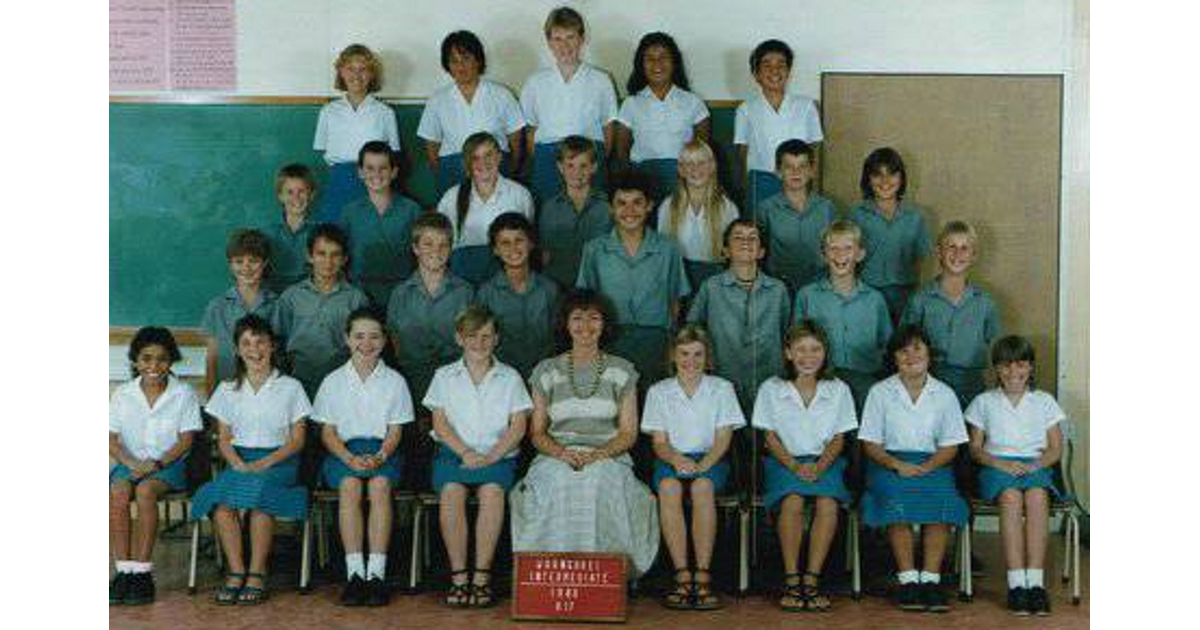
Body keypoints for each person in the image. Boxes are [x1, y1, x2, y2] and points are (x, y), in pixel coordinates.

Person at [510, 290, 659, 578]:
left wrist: (599, 454)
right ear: (565, 324)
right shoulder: (545, 371)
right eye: (577, 318)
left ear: (605, 324)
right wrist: (561, 453)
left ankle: (600, 578)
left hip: (609, 455)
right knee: (559, 479)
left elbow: (628, 433)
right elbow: (537, 433)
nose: (586, 326)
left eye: (594, 318)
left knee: (597, 479)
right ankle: (552, 575)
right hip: (555, 455)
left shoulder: (623, 370)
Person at [190, 315, 311, 605]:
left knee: (259, 501)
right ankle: (236, 571)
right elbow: (224, 438)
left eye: (260, 342)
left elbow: (297, 440)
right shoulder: (227, 389)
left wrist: (265, 463)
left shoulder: (291, 387)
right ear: (237, 349)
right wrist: (238, 464)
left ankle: (257, 573)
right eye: (246, 343)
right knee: (222, 506)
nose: (254, 350)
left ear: (272, 346)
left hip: (280, 463)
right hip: (239, 461)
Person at [425, 305, 532, 608]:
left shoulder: (510, 377)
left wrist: (492, 456)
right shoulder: (444, 376)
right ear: (459, 338)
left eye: (486, 336)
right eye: (472, 336)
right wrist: (467, 452)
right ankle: (459, 577)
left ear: (496, 339)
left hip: (499, 456)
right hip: (453, 455)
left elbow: (518, 426)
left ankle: (482, 578)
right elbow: (440, 424)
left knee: (493, 493)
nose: (479, 343)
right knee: (451, 493)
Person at [858, 325, 969, 614]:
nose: (911, 356)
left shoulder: (945, 394)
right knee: (896, 496)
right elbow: (870, 443)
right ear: (894, 357)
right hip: (888, 463)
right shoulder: (880, 392)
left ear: (929, 353)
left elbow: (951, 445)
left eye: (917, 348)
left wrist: (927, 466)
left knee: (941, 497)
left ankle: (931, 580)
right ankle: (908, 580)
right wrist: (897, 465)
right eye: (903, 351)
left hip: (935, 463)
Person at [313, 306, 414, 607]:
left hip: (384, 451)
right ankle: (355, 573)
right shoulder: (332, 381)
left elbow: (395, 430)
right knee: (350, 486)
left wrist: (381, 456)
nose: (366, 344)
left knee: (380, 486)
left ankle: (376, 574)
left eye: (374, 336)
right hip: (342, 453)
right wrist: (348, 459)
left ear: (384, 340)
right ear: (347, 339)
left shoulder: (395, 380)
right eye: (359, 336)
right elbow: (327, 432)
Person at [752, 321, 856, 612]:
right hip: (784, 462)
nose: (808, 357)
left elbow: (839, 438)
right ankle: (791, 578)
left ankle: (811, 578)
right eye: (800, 350)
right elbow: (769, 437)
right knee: (793, 501)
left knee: (827, 504)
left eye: (815, 349)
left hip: (826, 462)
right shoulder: (771, 388)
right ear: (788, 353)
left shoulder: (838, 389)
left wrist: (820, 466)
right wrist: (795, 466)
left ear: (825, 353)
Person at [642, 324, 744, 610]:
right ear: (673, 356)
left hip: (711, 459)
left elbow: (723, 438)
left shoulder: (721, 388)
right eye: (684, 354)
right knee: (668, 487)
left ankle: (702, 573)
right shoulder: (659, 391)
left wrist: (703, 465)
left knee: (702, 487)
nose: (691, 361)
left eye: (698, 354)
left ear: (707, 357)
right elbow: (659, 442)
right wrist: (677, 460)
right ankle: (681, 573)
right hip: (672, 458)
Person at [965, 335, 1063, 616]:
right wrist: (1000, 464)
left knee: (1037, 496)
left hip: (1035, 465)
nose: (1013, 372)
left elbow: (1055, 449)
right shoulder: (984, 402)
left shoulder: (1044, 401)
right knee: (1010, 498)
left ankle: (1035, 582)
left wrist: (1035, 465)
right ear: (996, 368)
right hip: (996, 466)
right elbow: (975, 449)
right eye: (1005, 366)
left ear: (1030, 367)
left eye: (1020, 365)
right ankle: (1017, 583)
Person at [109, 327, 203, 606]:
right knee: (118, 492)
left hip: (169, 464)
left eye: (162, 359)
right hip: (131, 462)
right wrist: (131, 463)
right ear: (135, 361)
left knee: (146, 491)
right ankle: (123, 571)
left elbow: (186, 440)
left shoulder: (183, 393)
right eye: (146, 358)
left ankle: (142, 573)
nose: (154, 365)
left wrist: (156, 464)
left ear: (171, 360)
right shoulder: (123, 393)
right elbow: (110, 439)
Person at [577, 170, 689, 387]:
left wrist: (667, 338)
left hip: (655, 341)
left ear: (649, 206)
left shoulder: (668, 248)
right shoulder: (594, 250)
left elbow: (675, 301)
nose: (629, 211)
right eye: (621, 203)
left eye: (637, 203)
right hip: (610, 339)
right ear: (611, 208)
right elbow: (586, 302)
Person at [686, 219, 790, 413]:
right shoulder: (711, 287)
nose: (745, 242)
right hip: (722, 379)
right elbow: (692, 331)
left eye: (753, 238)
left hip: (769, 381)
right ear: (726, 251)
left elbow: (787, 333)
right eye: (738, 237)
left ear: (761, 252)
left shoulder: (778, 290)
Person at [520, 6, 618, 203]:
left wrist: (594, 160)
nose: (564, 45)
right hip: (549, 158)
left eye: (570, 37)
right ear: (549, 42)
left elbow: (608, 126)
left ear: (581, 39)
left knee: (592, 211)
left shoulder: (601, 79)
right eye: (557, 38)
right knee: (549, 212)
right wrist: (543, 158)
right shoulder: (535, 82)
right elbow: (530, 129)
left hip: (589, 156)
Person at [794, 220, 892, 412]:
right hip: (822, 382)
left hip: (866, 380)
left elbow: (887, 344)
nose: (840, 255)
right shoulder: (807, 296)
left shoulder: (875, 299)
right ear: (824, 255)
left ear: (860, 254)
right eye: (833, 248)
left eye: (848, 248)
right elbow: (796, 342)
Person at [902, 220, 1002, 409]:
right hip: (930, 382)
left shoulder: (985, 302)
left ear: (973, 255)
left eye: (964, 248)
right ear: (939, 252)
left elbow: (992, 341)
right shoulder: (920, 300)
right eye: (951, 247)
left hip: (972, 385)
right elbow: (906, 344)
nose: (958, 254)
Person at [418, 30, 525, 197]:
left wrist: (509, 171)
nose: (460, 66)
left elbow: (516, 143)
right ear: (447, 65)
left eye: (466, 58)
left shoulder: (502, 94)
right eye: (454, 61)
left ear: (478, 60)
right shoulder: (437, 100)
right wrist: (447, 173)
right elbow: (432, 149)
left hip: (494, 168)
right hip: (453, 170)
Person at [386, 212, 475, 407]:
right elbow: (394, 340)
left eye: (444, 244)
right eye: (428, 244)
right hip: (411, 383)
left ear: (451, 248)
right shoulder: (399, 294)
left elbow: (473, 339)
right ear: (415, 248)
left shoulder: (466, 292)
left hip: (456, 384)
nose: (436, 250)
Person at [272, 223, 369, 398]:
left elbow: (364, 347)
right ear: (309, 256)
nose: (328, 262)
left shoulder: (356, 299)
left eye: (335, 255)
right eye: (321, 253)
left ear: (345, 259)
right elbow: (276, 343)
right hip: (297, 383)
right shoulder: (291, 297)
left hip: (342, 385)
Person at [615, 31, 710, 202]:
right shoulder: (631, 103)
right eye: (649, 59)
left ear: (674, 62)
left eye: (663, 57)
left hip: (683, 176)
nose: (657, 64)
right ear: (641, 65)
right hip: (642, 178)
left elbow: (703, 149)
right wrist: (630, 183)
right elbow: (622, 151)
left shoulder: (693, 102)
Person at [313, 44, 401, 223]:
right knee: (336, 232)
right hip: (339, 181)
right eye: (350, 69)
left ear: (372, 74)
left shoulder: (385, 112)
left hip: (375, 181)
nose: (356, 75)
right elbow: (322, 149)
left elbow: (393, 153)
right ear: (341, 72)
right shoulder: (328, 111)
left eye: (363, 69)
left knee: (369, 230)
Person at [734, 39, 823, 215]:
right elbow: (741, 154)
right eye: (767, 65)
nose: (774, 71)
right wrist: (745, 189)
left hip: (798, 179)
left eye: (781, 65)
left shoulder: (806, 106)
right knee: (761, 227)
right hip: (761, 181)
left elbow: (816, 149)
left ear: (789, 71)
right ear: (756, 74)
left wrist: (814, 187)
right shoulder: (746, 109)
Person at [436, 132, 535, 285]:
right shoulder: (451, 197)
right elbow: (441, 242)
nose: (483, 162)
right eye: (475, 158)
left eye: (488, 155)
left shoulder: (520, 194)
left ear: (499, 156)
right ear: (467, 163)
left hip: (507, 278)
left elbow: (527, 239)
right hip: (463, 279)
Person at [848, 147, 932, 323]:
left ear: (901, 178)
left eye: (892, 174)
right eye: (877, 174)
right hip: (867, 292)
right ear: (868, 179)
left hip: (906, 294)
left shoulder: (915, 216)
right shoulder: (856, 214)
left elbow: (921, 259)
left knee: (903, 338)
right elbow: (847, 257)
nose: (885, 181)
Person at [476, 212, 560, 378]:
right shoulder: (485, 294)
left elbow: (558, 339)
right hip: (501, 378)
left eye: (519, 240)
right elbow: (482, 342)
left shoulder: (550, 289)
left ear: (530, 244)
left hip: (545, 376)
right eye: (505, 243)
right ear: (495, 250)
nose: (513, 248)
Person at [338, 141, 421, 307]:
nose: (376, 174)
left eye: (383, 168)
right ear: (360, 172)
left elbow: (422, 254)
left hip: (403, 293)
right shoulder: (349, 213)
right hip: (360, 293)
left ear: (394, 172)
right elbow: (341, 256)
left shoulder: (412, 210)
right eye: (370, 168)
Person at [756, 139, 837, 293]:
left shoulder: (827, 208)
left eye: (802, 166)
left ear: (812, 171)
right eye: (789, 167)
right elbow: (759, 252)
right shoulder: (766, 209)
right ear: (778, 172)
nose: (796, 172)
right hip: (779, 287)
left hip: (819, 286)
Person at [656, 139, 739, 291]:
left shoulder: (727, 207)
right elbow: (663, 252)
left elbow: (734, 253)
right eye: (689, 164)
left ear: (712, 166)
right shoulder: (668, 206)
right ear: (681, 170)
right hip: (679, 276)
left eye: (702, 163)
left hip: (715, 276)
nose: (696, 169)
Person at [202, 229, 278, 382]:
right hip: (227, 387)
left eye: (253, 261)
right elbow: (212, 356)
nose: (246, 268)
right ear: (230, 265)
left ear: (265, 263)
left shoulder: (277, 304)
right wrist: (211, 393)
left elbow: (280, 352)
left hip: (267, 388)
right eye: (239, 261)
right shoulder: (217, 307)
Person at [537, 136, 612, 289]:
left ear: (594, 167)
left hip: (599, 285)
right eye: (570, 165)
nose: (577, 172)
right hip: (557, 285)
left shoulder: (608, 206)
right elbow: (545, 253)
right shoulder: (549, 208)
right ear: (560, 167)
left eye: (583, 165)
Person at [264, 163, 318, 294]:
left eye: (302, 191)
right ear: (280, 196)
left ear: (312, 194)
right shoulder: (266, 233)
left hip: (310, 297)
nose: (296, 197)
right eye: (289, 192)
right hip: (274, 297)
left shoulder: (320, 232)